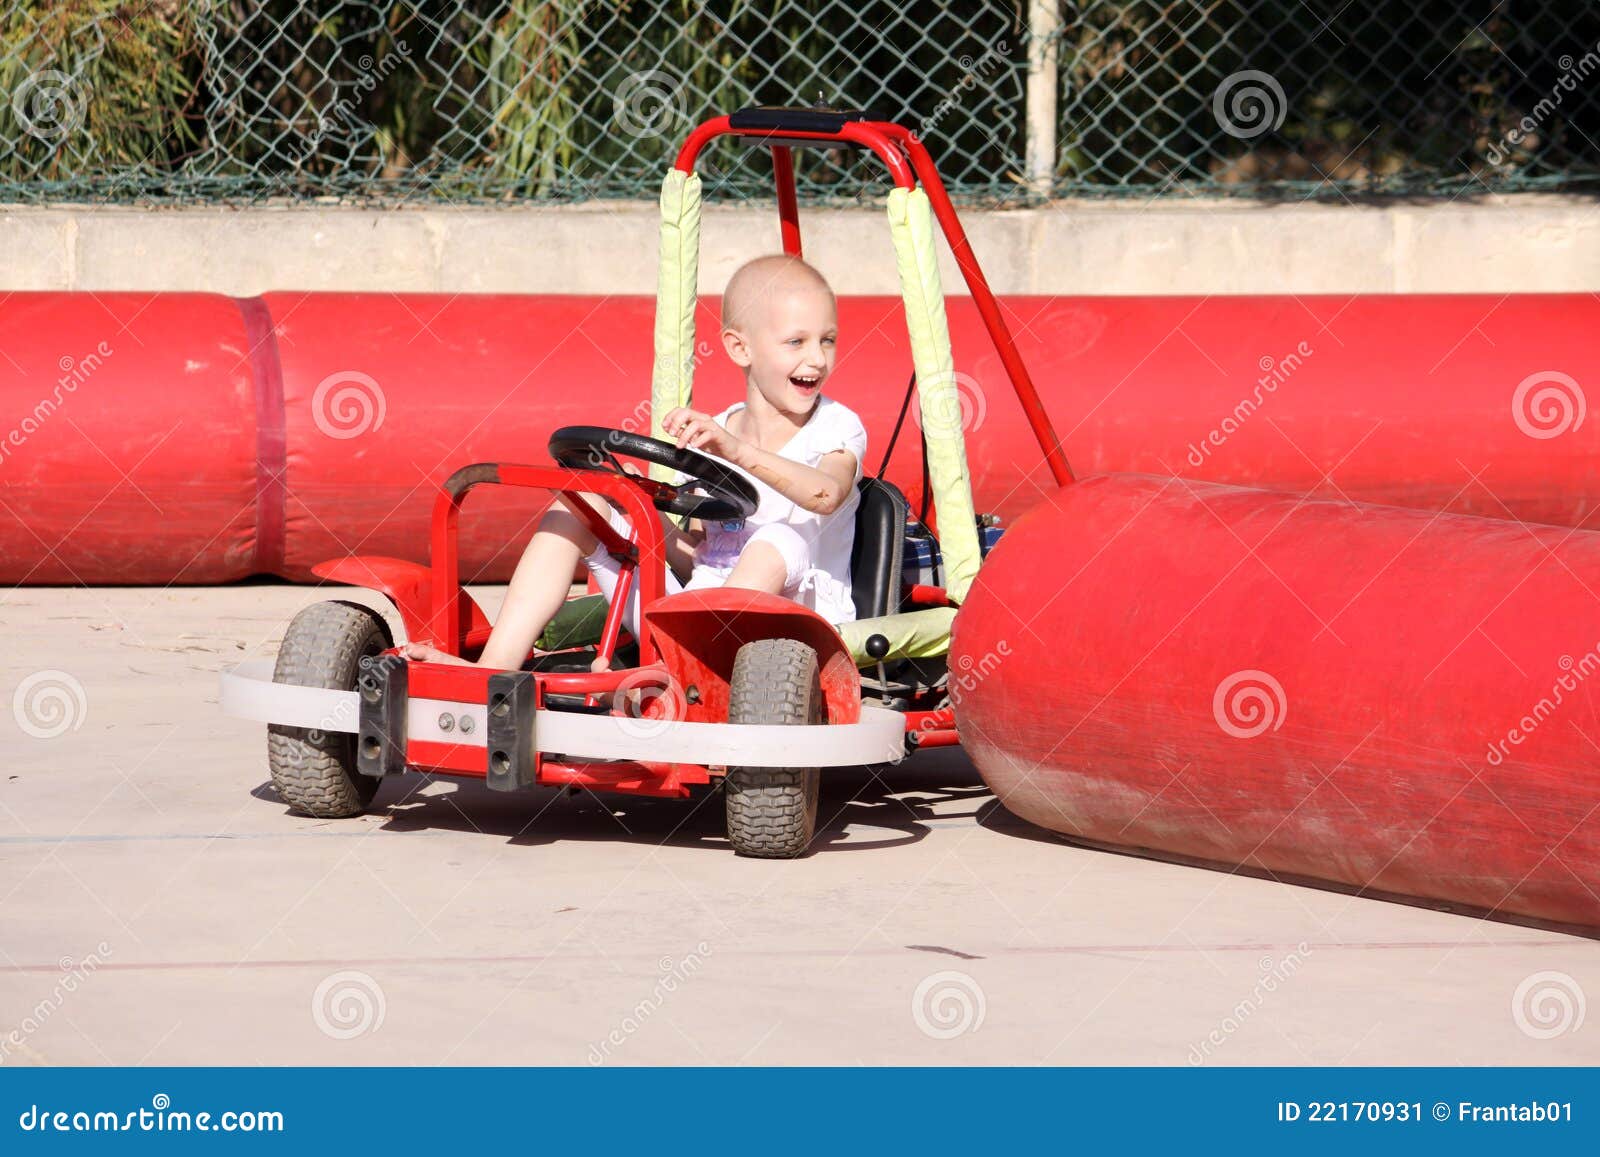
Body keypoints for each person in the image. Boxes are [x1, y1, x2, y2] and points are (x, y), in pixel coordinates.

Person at [401, 253, 868, 670]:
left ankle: (703, 671)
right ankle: (495, 668)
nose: (817, 358)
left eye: (827, 340)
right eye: (797, 342)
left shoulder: (835, 428)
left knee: (777, 539)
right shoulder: (720, 426)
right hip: (687, 622)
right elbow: (701, 548)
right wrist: (631, 500)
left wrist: (736, 450)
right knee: (586, 501)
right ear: (739, 348)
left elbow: (826, 494)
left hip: (793, 632)